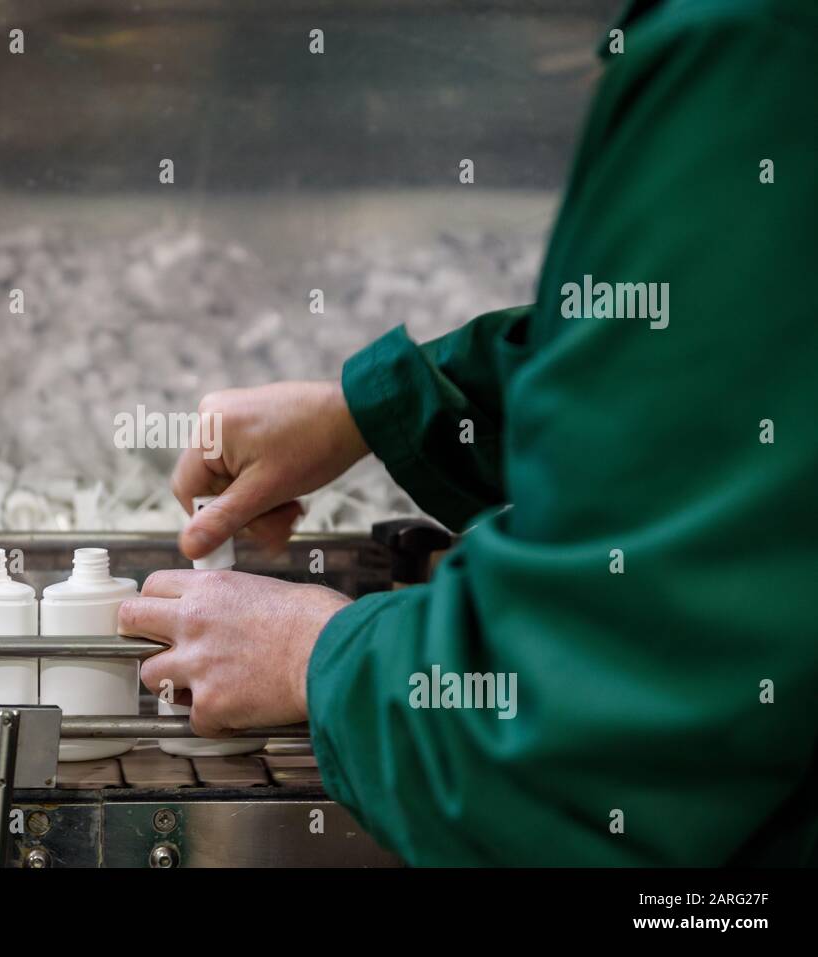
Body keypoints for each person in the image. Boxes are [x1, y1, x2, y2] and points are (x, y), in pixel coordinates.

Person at [116, 0, 818, 865]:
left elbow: (591, 723)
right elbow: (705, 355)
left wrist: (319, 656)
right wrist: (376, 408)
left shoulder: (751, 49)